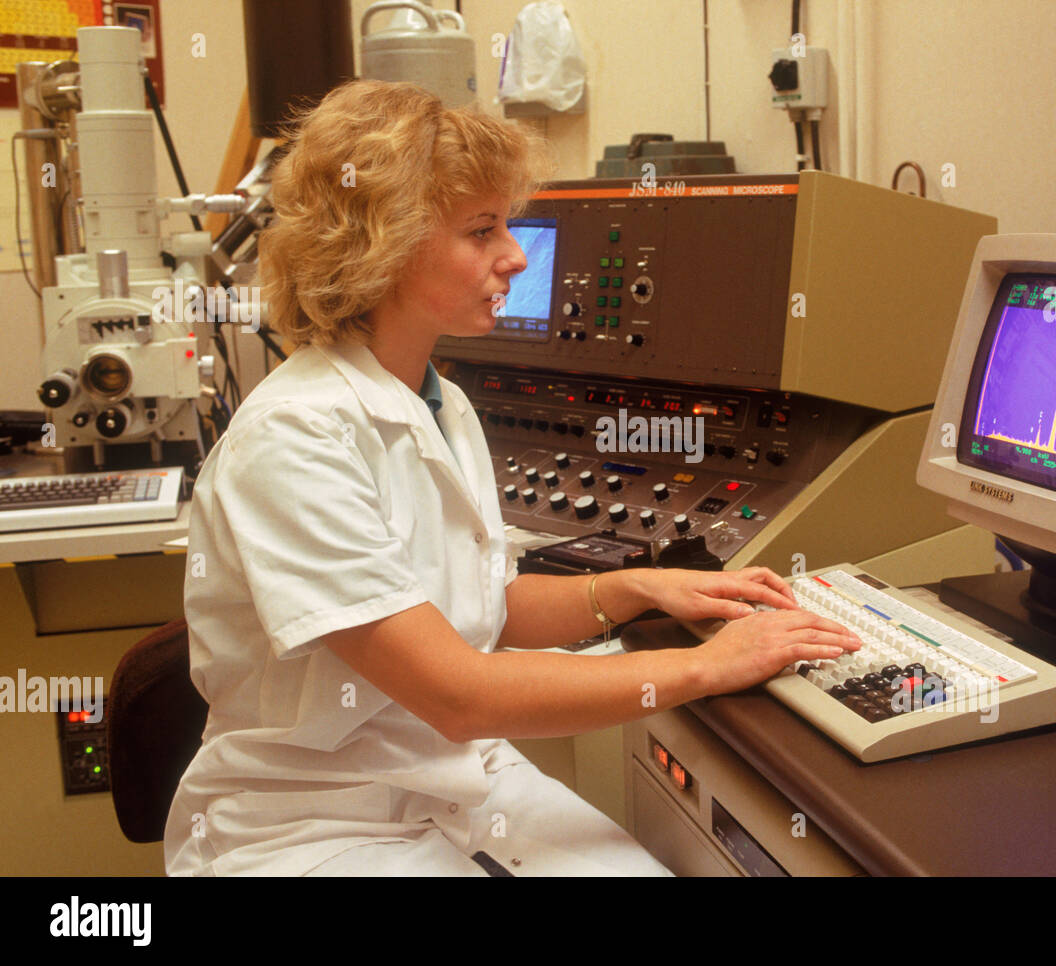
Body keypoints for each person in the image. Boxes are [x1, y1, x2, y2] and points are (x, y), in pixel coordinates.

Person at [163, 79, 859, 876]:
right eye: (482, 229)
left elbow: (476, 605)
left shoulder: (440, 402)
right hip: (316, 825)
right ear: (382, 244)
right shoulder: (294, 441)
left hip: (457, 785)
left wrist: (638, 590)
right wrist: (710, 665)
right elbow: (460, 693)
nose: (518, 256)